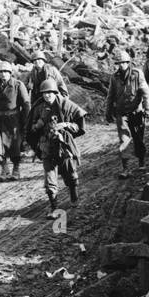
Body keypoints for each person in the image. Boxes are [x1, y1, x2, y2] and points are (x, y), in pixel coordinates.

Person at [27, 77, 87, 212]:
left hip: (63, 145)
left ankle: (74, 197)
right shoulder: (38, 108)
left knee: (70, 174)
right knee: (50, 179)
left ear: (55, 92)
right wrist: (38, 125)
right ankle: (54, 208)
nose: (47, 95)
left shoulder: (66, 105)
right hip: (47, 146)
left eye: (49, 92)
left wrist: (66, 125)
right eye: (44, 93)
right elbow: (30, 130)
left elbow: (79, 125)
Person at [0, 59, 31, 181]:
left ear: (10, 73)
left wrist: (27, 121)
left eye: (6, 71)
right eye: (1, 71)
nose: (3, 74)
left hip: (13, 121)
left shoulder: (18, 85)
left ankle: (16, 169)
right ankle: (4, 170)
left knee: (15, 146)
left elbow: (25, 104)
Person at [106, 50, 149, 175]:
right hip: (121, 113)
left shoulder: (137, 74)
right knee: (124, 139)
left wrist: (147, 108)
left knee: (138, 138)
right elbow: (110, 96)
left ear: (128, 62)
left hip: (136, 112)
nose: (121, 65)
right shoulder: (114, 77)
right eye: (119, 63)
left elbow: (146, 92)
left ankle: (141, 161)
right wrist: (108, 111)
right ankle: (125, 168)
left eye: (123, 63)